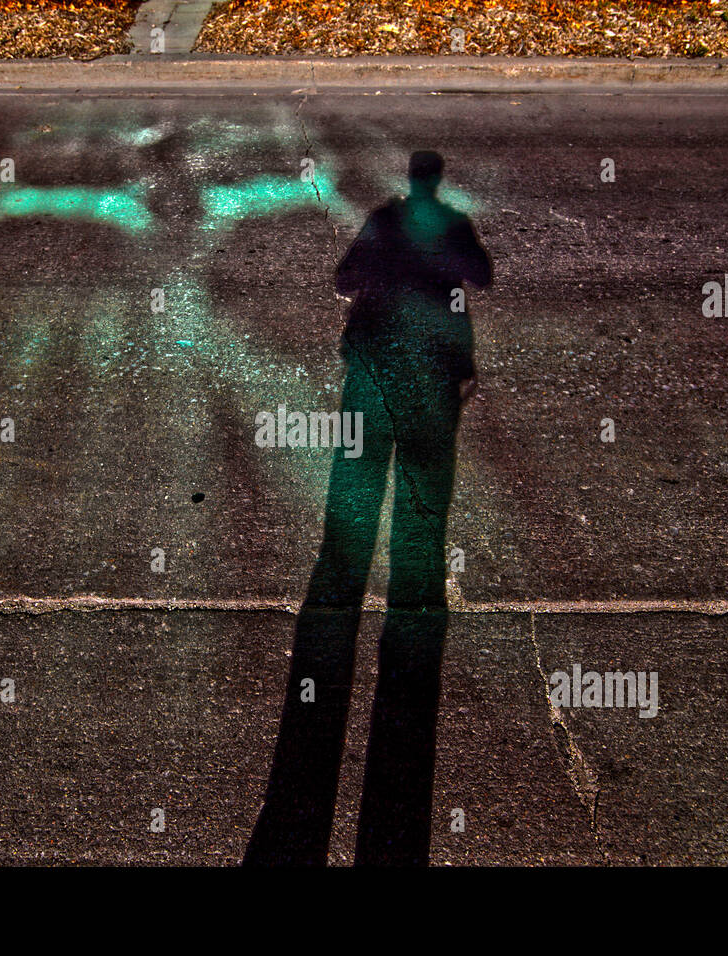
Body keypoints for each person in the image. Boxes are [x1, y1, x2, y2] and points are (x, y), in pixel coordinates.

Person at [245, 151, 492, 866]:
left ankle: (343, 584)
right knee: (422, 497)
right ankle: (412, 601)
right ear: (437, 180)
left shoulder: (383, 223)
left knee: (358, 477)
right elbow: (480, 277)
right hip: (435, 374)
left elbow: (344, 279)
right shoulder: (451, 223)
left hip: (377, 367)